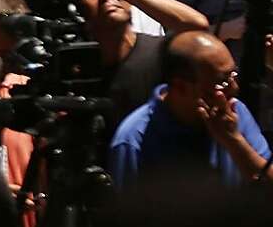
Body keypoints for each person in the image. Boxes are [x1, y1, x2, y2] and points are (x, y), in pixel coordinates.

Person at [109, 31, 269, 186]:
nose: (234, 88)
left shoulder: (234, 112)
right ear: (180, 87)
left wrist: (234, 141)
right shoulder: (133, 140)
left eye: (233, 74)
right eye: (222, 81)